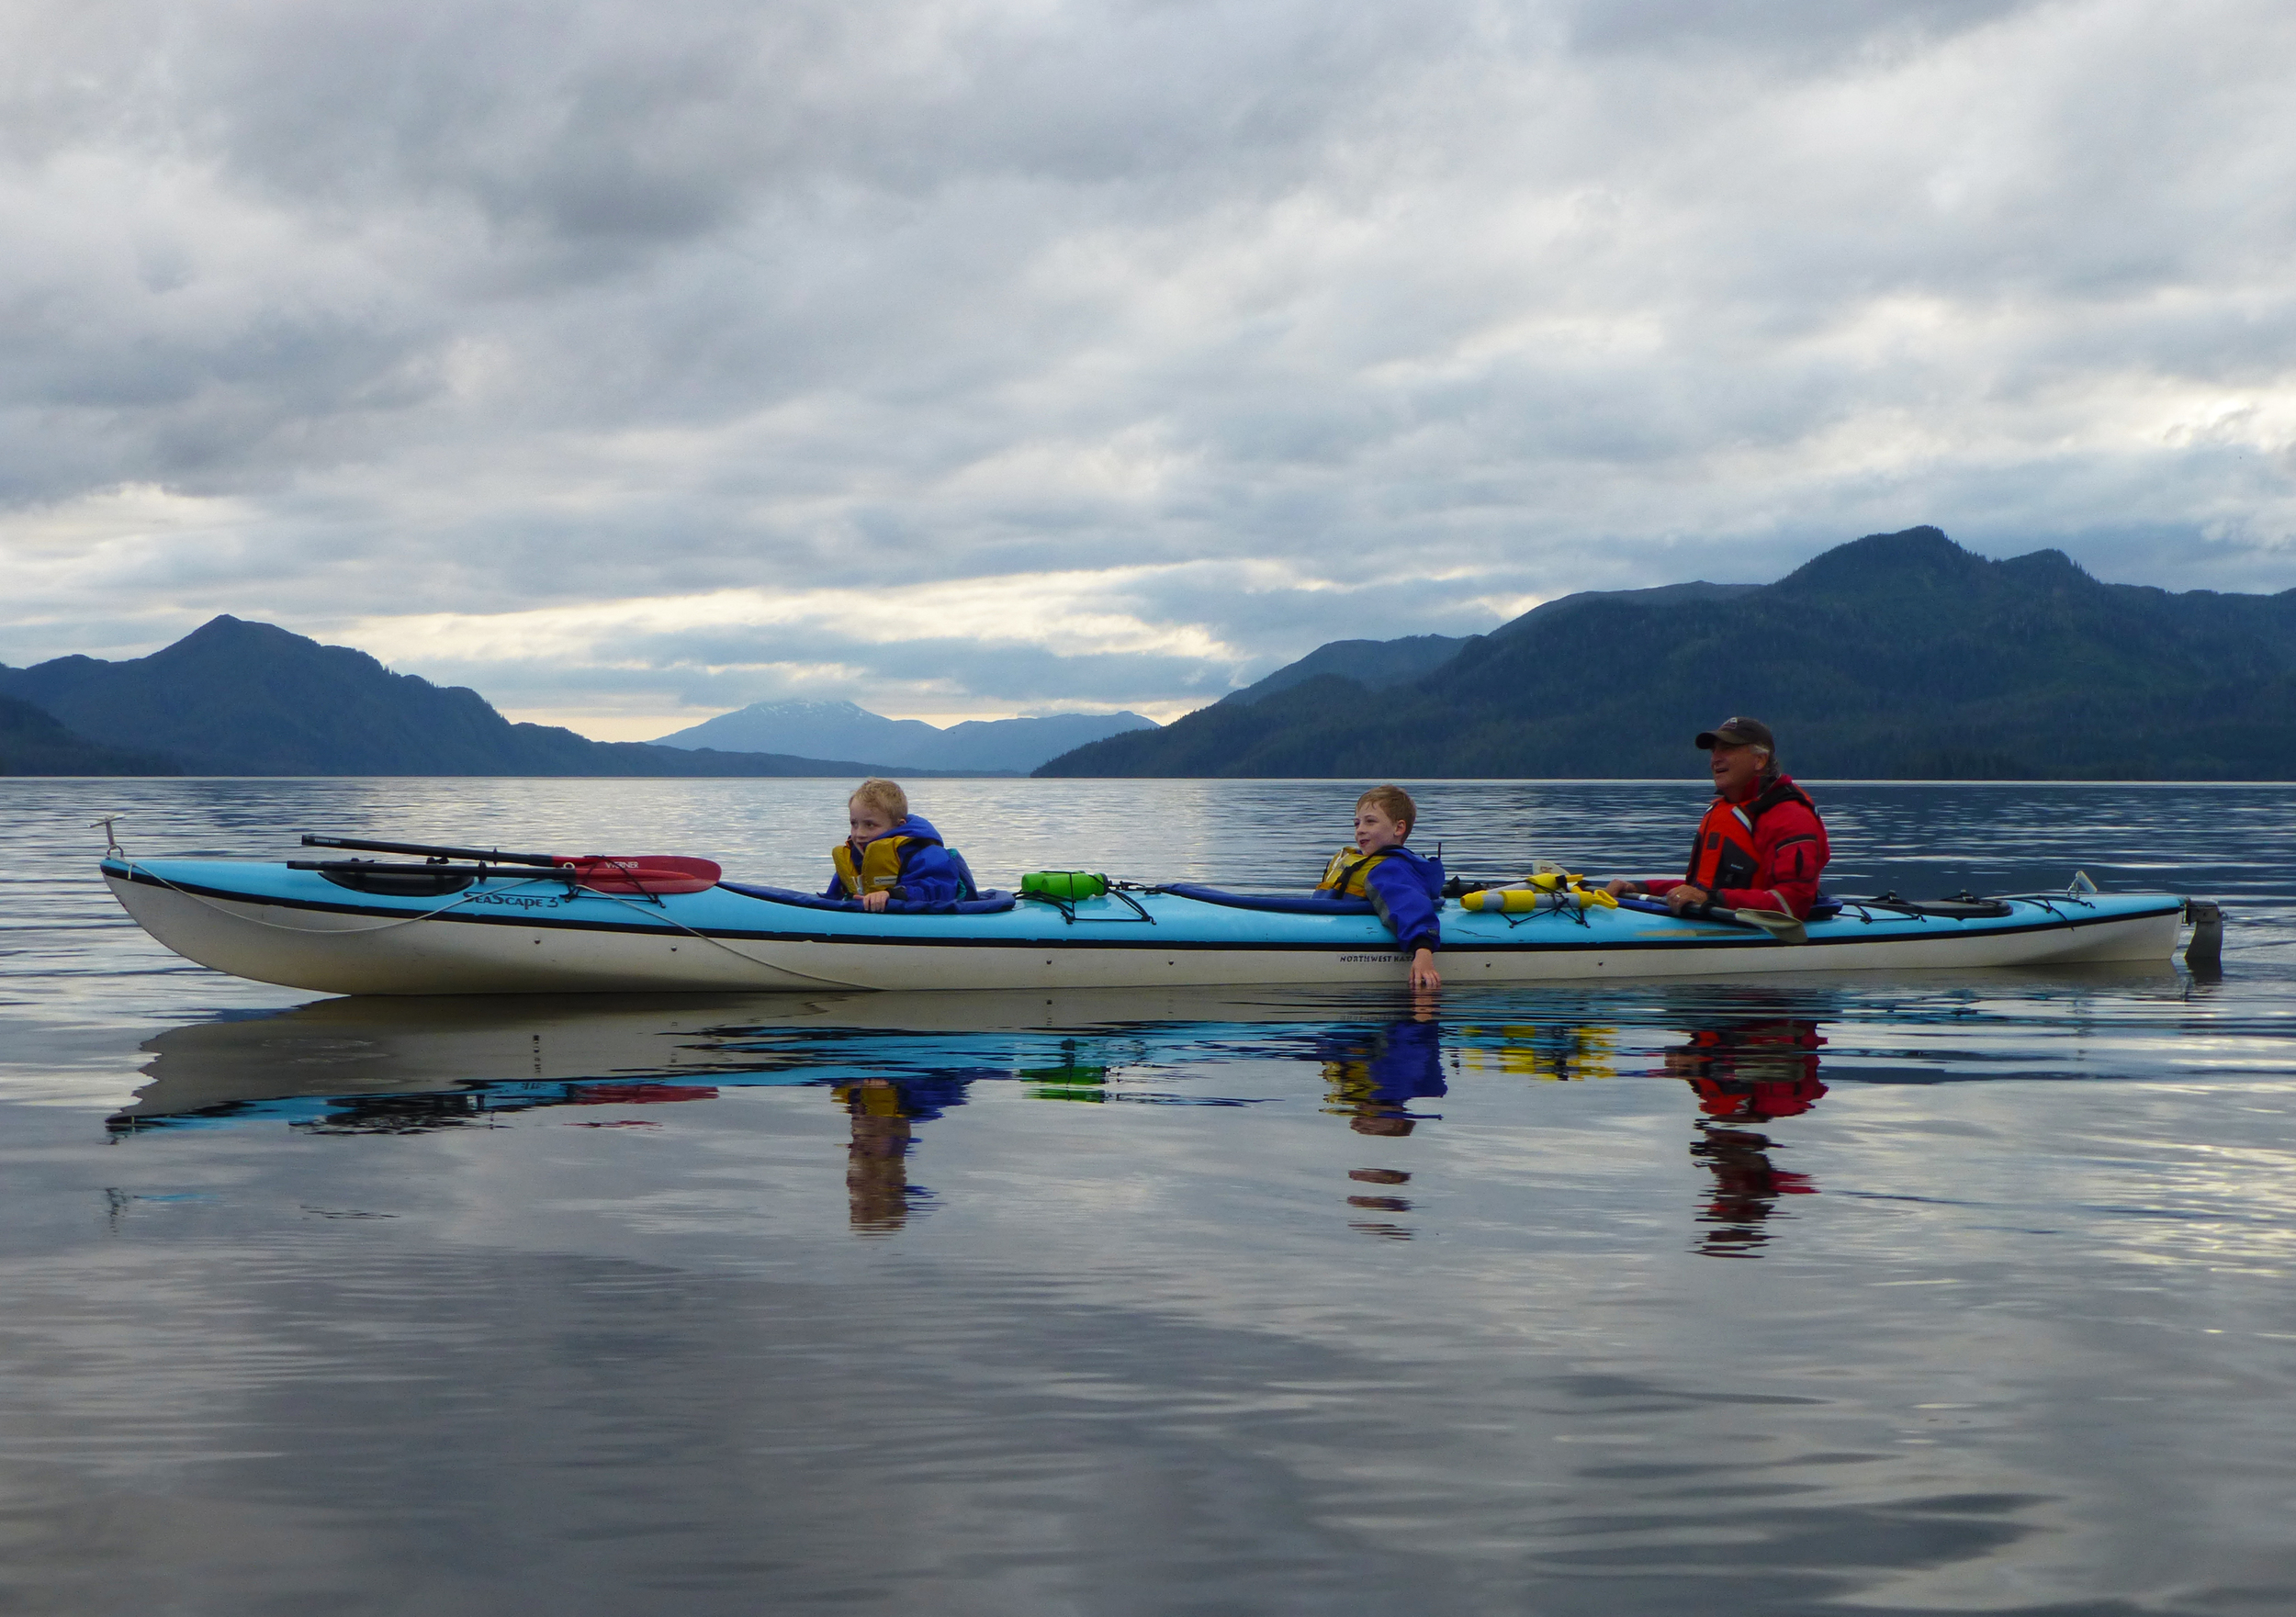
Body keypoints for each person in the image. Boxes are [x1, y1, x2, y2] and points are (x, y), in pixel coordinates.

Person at [1604, 717, 1830, 919]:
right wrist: (1638, 887)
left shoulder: (1790, 816)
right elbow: (1699, 889)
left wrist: (1709, 899)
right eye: (1714, 751)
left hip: (1764, 935)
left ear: (1760, 760)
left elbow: (1793, 904)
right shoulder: (1725, 809)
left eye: (1727, 749)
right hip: (1721, 923)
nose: (1715, 759)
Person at [1317, 784, 1444, 991]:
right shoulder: (1359, 861)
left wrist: (1423, 952)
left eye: (1370, 822)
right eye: (1357, 823)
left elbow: (1410, 907)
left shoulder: (1388, 869)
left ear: (1398, 828)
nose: (1360, 830)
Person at [824, 778, 970, 912]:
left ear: (899, 826)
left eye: (870, 825)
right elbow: (833, 899)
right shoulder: (855, 856)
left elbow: (939, 889)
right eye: (854, 824)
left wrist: (891, 894)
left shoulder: (927, 854)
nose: (859, 833)